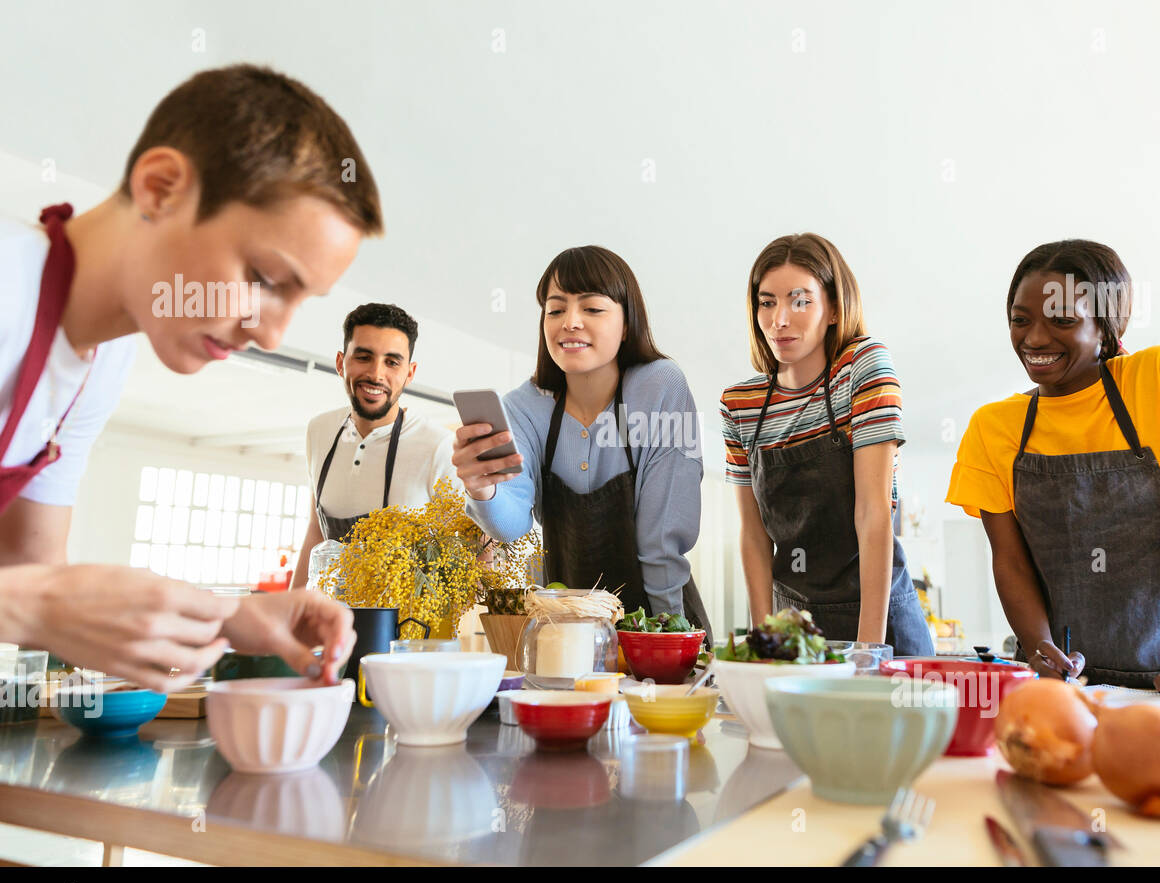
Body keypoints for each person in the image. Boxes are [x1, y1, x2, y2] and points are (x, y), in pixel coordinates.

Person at [0, 65, 382, 690]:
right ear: (160, 188)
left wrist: (230, 620)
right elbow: (32, 597)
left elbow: (24, 568)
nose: (272, 333)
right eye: (263, 276)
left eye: (300, 299)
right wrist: (43, 601)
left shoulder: (98, 363)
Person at [946, 240, 1160, 698]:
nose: (1035, 339)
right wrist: (1039, 647)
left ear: (1106, 328)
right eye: (1021, 320)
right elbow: (1011, 562)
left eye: (1062, 320)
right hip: (1067, 688)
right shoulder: (993, 427)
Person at [451, 246, 712, 639]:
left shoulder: (661, 386)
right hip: (568, 633)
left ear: (627, 323)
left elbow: (661, 542)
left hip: (657, 625)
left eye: (592, 308)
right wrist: (482, 489)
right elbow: (511, 525)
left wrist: (669, 640)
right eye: (556, 310)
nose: (570, 322)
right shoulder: (523, 407)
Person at [720, 233, 932, 652]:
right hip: (796, 625)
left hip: (880, 622)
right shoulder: (739, 404)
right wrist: (766, 641)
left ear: (834, 309)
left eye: (800, 301)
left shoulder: (862, 367)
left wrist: (868, 651)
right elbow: (754, 535)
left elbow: (873, 514)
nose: (780, 319)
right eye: (767, 302)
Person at [292, 303, 459, 588]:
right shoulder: (318, 431)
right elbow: (316, 533)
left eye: (392, 362)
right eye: (364, 357)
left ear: (409, 373)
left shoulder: (438, 446)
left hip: (408, 628)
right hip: (329, 620)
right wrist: (289, 612)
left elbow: (465, 555)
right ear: (340, 362)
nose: (376, 374)